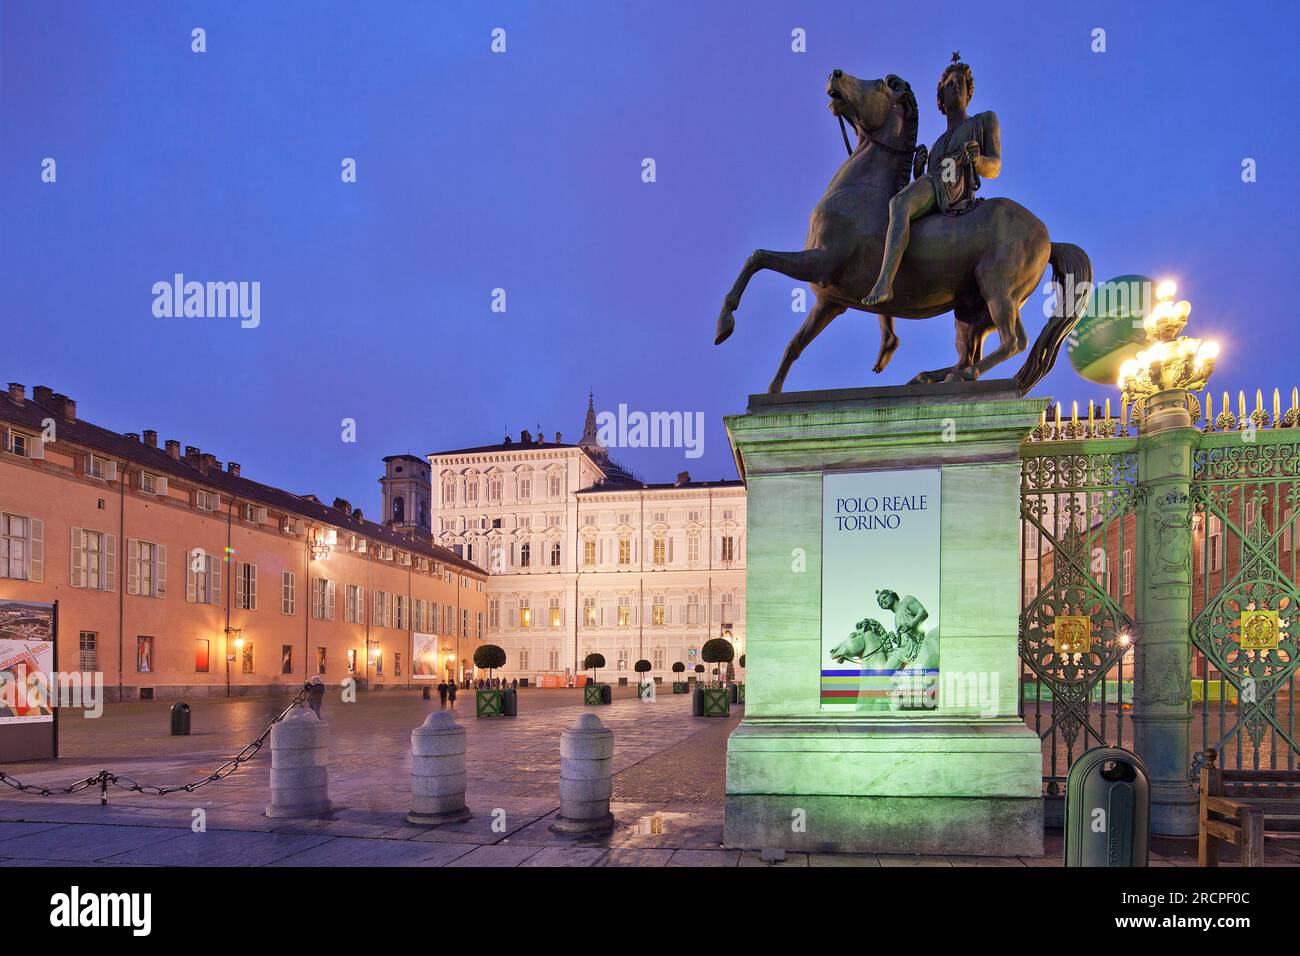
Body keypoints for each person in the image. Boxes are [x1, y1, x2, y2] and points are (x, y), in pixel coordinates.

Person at [862, 54, 1001, 308]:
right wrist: (918, 170)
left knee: (899, 204)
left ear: (969, 92)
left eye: (960, 82)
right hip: (936, 187)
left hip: (952, 189)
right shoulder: (937, 145)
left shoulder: (984, 121)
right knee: (902, 207)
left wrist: (978, 159)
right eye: (949, 83)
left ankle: (884, 282)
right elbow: (926, 191)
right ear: (941, 100)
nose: (956, 85)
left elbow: (995, 167)